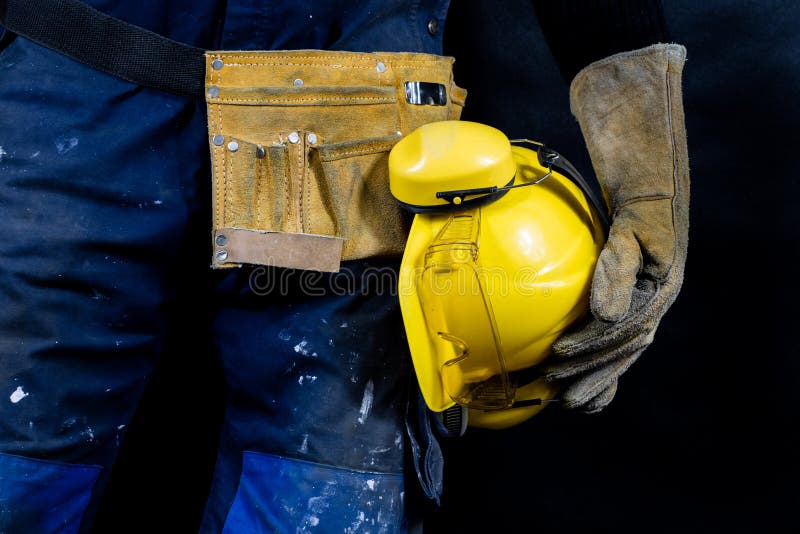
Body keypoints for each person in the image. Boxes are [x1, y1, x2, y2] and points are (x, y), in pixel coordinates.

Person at [0, 0, 688, 532]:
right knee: (14, 462)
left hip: (355, 112)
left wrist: (636, 127)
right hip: (80, 63)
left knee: (322, 493)